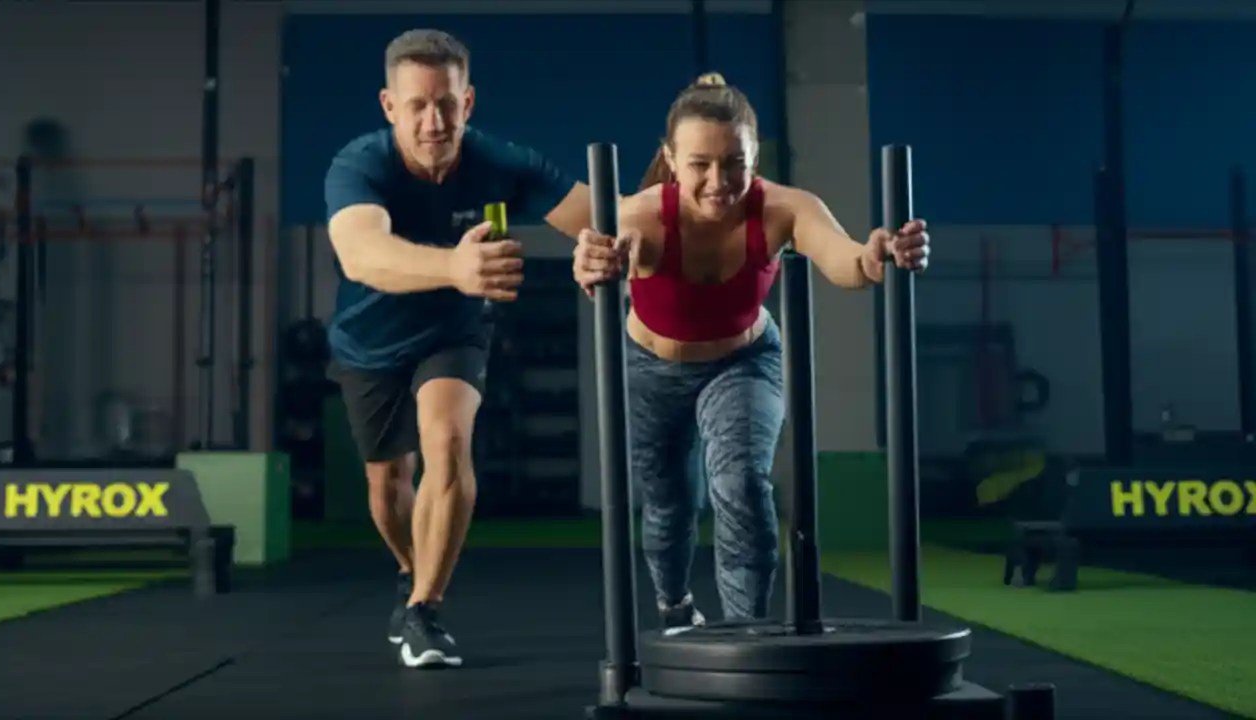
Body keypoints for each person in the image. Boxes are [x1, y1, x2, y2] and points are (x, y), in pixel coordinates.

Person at [572, 73, 930, 628]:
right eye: (700, 165)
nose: (719, 181)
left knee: (739, 484)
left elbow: (845, 260)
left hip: (744, 362)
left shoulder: (783, 208)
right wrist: (592, 262)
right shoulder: (641, 215)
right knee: (668, 504)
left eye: (735, 163)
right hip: (650, 368)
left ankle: (747, 634)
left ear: (754, 156)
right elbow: (604, 252)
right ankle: (675, 605)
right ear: (670, 158)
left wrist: (875, 256)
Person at [323, 29, 592, 668]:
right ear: (390, 106)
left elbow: (604, 214)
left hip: (454, 333)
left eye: (446, 104)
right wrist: (455, 268)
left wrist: (627, 230)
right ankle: (411, 569)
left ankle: (424, 611)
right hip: (369, 339)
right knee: (388, 487)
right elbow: (361, 254)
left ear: (467, 102)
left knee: (446, 440)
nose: (434, 121)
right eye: (417, 105)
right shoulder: (360, 165)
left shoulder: (501, 162)